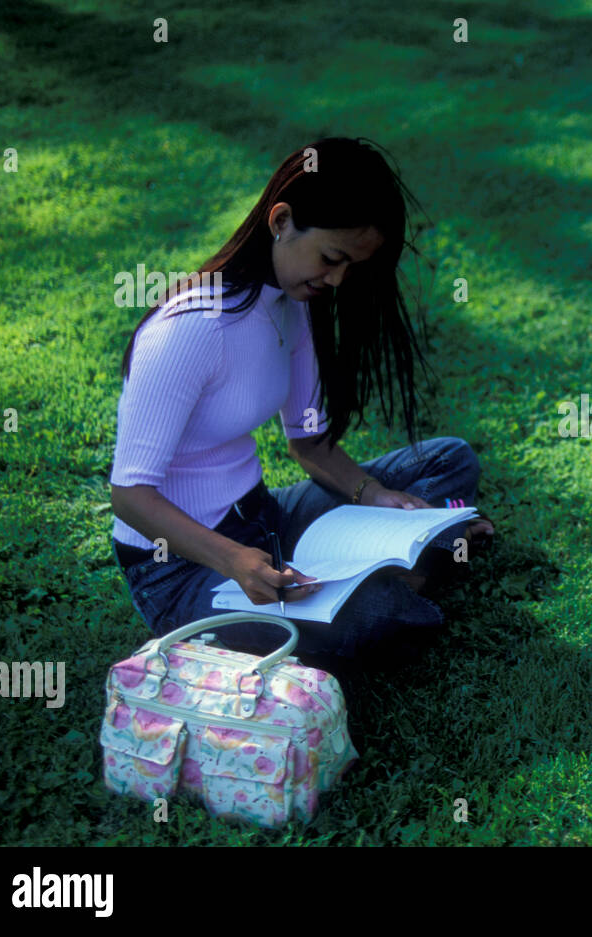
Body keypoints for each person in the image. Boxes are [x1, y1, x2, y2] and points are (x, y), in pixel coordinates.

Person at [110, 137, 493, 665]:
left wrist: (374, 493)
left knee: (449, 459)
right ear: (281, 220)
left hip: (267, 520)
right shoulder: (190, 330)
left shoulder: (292, 303)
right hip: (182, 567)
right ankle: (414, 570)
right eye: (332, 258)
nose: (336, 280)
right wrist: (235, 560)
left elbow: (309, 443)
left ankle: (405, 564)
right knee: (372, 614)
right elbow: (130, 495)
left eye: (349, 268)